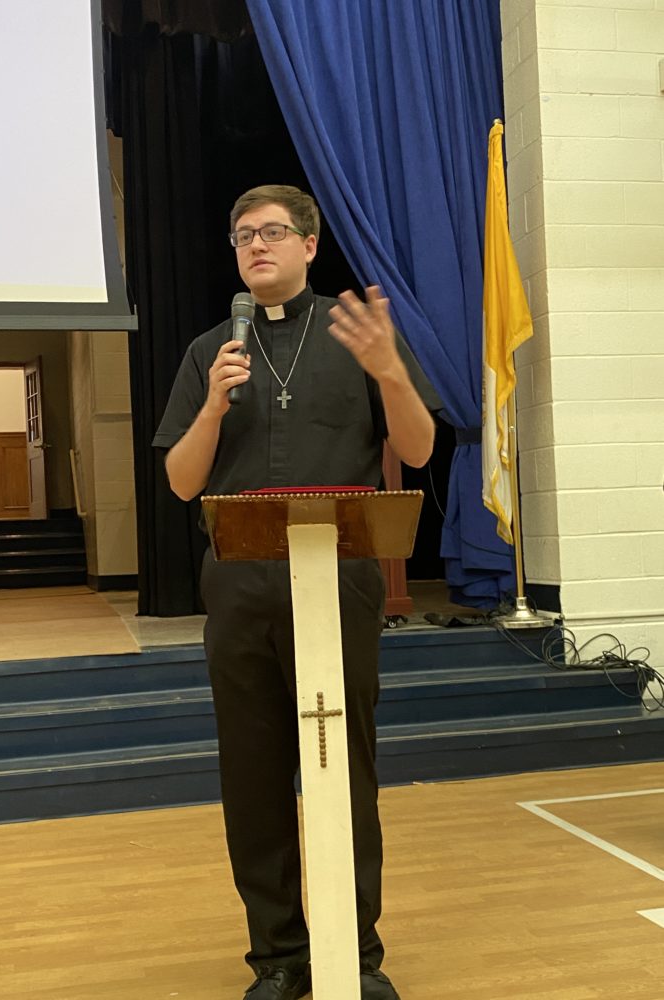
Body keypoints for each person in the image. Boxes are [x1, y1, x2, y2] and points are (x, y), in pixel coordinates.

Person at [153, 185, 439, 1000]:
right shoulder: (213, 349)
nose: (256, 245)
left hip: (337, 583)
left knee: (342, 768)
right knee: (253, 774)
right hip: (239, 589)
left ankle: (358, 955)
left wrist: (389, 370)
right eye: (242, 235)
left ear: (310, 246)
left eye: (273, 231)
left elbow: (415, 450)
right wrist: (212, 404)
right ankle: (277, 959)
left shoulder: (359, 340)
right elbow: (180, 485)